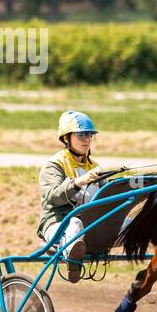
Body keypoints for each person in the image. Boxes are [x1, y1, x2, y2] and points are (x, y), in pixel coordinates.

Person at [38, 110, 102, 283]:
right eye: (81, 135)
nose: (87, 139)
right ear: (66, 138)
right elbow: (53, 197)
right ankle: (72, 262)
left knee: (128, 222)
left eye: (90, 135)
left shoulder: (94, 166)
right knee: (74, 223)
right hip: (57, 225)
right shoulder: (54, 165)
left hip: (87, 226)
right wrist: (78, 182)